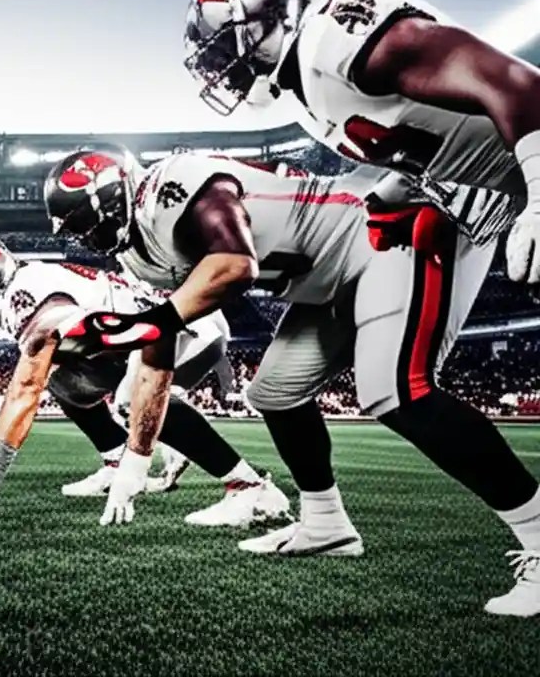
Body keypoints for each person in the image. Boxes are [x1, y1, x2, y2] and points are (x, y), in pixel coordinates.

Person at [59, 145, 540, 617]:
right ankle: (326, 524)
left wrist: (153, 319)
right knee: (275, 391)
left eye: (84, 220)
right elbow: (158, 349)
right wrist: (137, 459)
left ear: (113, 193)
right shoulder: (139, 254)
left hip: (382, 232)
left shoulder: (173, 184)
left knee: (396, 390)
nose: (85, 236)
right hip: (329, 278)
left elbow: (234, 265)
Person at [182, 0, 536, 279]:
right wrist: (395, 195)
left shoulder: (333, 41)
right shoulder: (308, 97)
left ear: (269, 16)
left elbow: (519, 85)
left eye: (223, 49)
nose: (221, 70)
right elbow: (434, 136)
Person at [0, 238, 288, 527]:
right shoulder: (29, 283)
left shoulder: (24, 298)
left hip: (188, 326)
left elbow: (24, 391)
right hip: (150, 333)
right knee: (62, 380)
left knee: (132, 397)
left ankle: (250, 486)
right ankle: (116, 459)